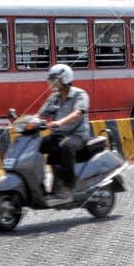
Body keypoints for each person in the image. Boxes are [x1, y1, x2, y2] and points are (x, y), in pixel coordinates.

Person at [38, 63, 90, 205]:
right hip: (59, 135)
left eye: (55, 79)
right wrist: (26, 121)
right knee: (38, 145)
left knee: (65, 146)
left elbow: (78, 113)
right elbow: (40, 115)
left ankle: (68, 187)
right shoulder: (54, 97)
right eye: (51, 79)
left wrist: (59, 122)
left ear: (65, 79)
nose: (52, 82)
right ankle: (43, 184)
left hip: (78, 135)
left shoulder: (79, 94)